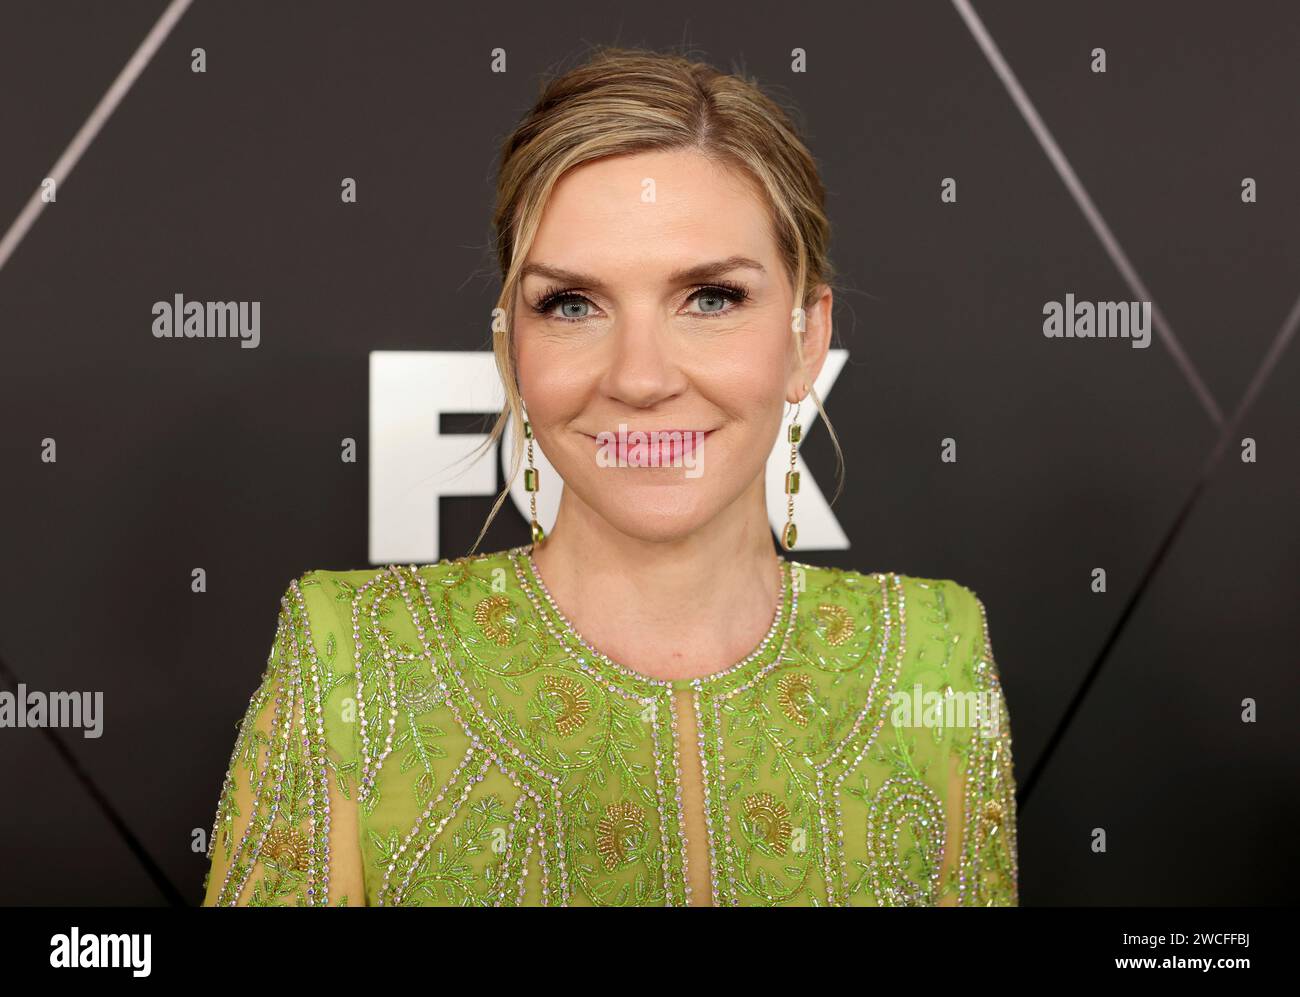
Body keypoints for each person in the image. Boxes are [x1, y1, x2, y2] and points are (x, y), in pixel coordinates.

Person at [202, 46, 1018, 907]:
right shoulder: (351, 659)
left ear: (806, 337)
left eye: (710, 298)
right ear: (511, 347)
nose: (638, 376)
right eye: (571, 304)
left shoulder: (934, 652)